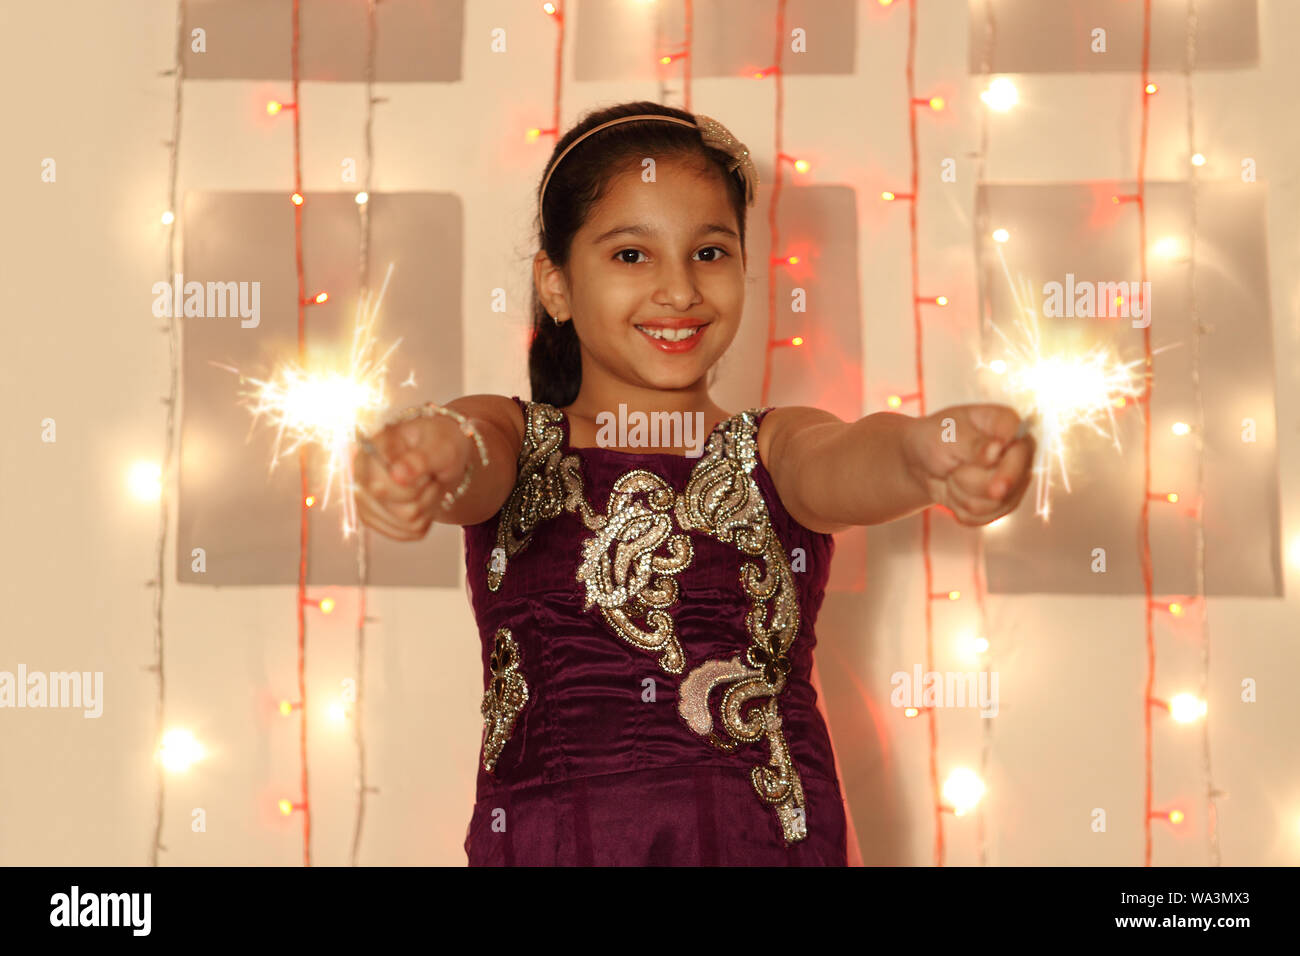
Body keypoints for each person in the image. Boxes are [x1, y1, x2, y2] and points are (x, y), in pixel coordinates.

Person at [353, 101, 1035, 865]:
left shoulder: (771, 447)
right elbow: (466, 451)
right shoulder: (518, 438)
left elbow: (849, 456)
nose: (678, 291)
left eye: (709, 252)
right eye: (631, 256)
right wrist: (424, 456)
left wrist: (925, 451)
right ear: (556, 285)